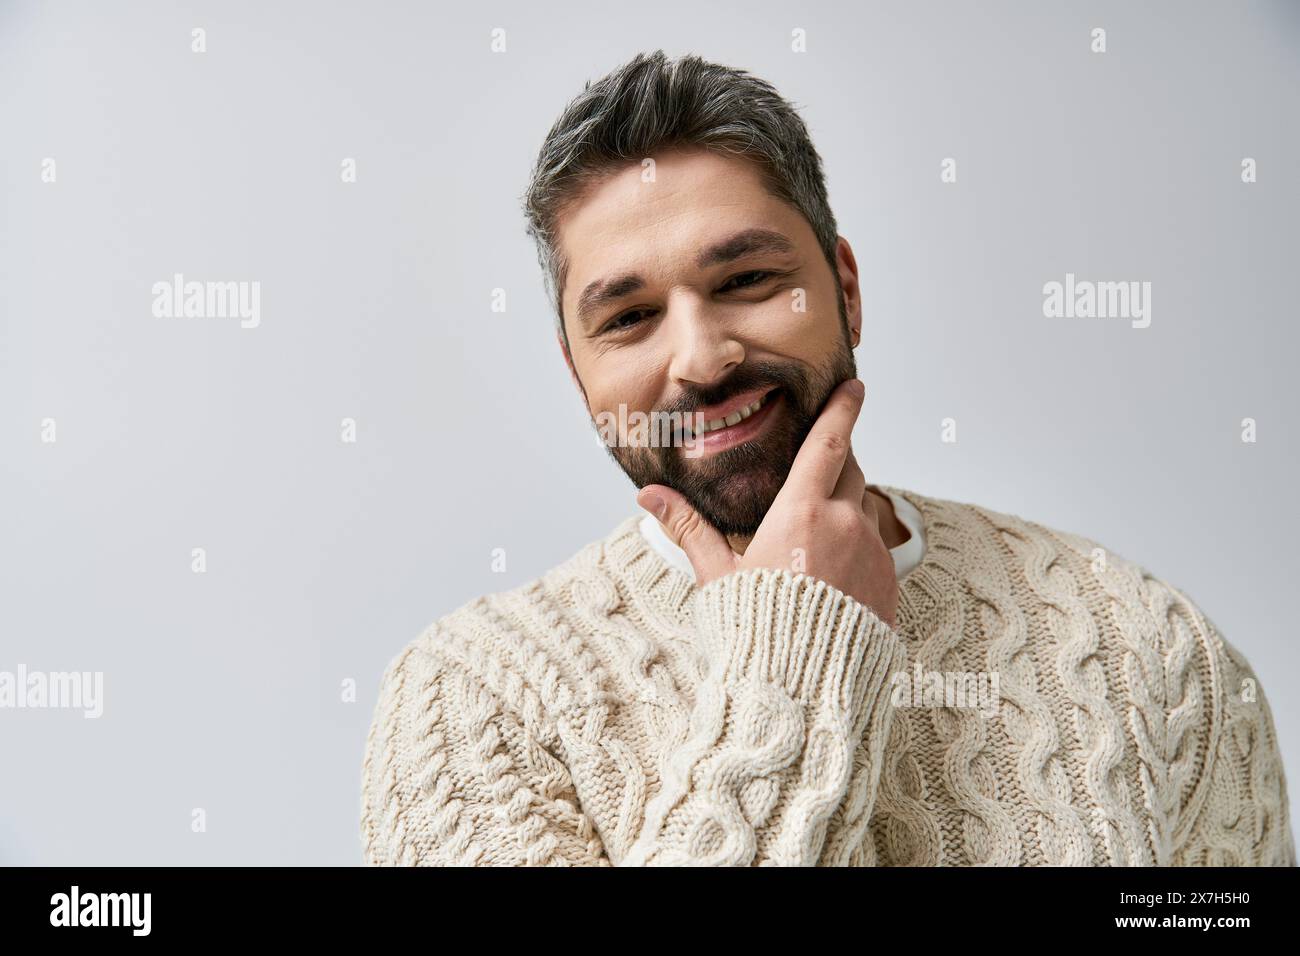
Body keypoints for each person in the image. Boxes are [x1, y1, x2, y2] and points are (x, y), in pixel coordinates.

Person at [360, 51, 1294, 866]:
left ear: (844, 289)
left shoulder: (1149, 649)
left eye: (748, 280)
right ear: (579, 374)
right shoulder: (471, 702)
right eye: (630, 318)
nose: (701, 359)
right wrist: (796, 666)